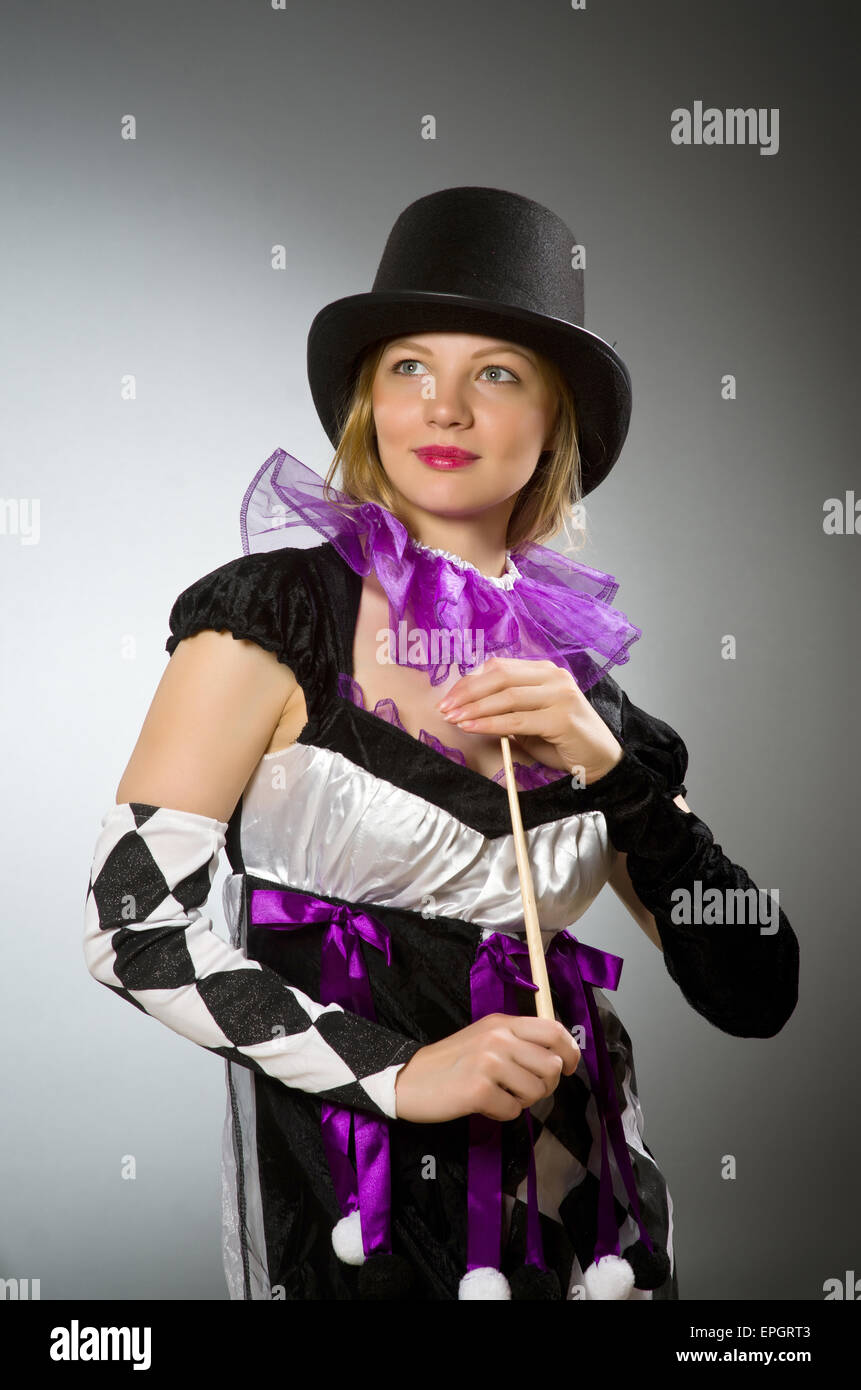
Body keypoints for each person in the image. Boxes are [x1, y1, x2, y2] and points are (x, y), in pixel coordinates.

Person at [82, 186, 799, 1301]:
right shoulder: (273, 618)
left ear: (555, 423)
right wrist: (404, 1070)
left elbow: (757, 982)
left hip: (583, 1219)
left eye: (497, 374)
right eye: (411, 366)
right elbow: (134, 930)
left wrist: (613, 771)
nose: (447, 407)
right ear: (370, 399)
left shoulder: (588, 699)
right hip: (350, 1208)